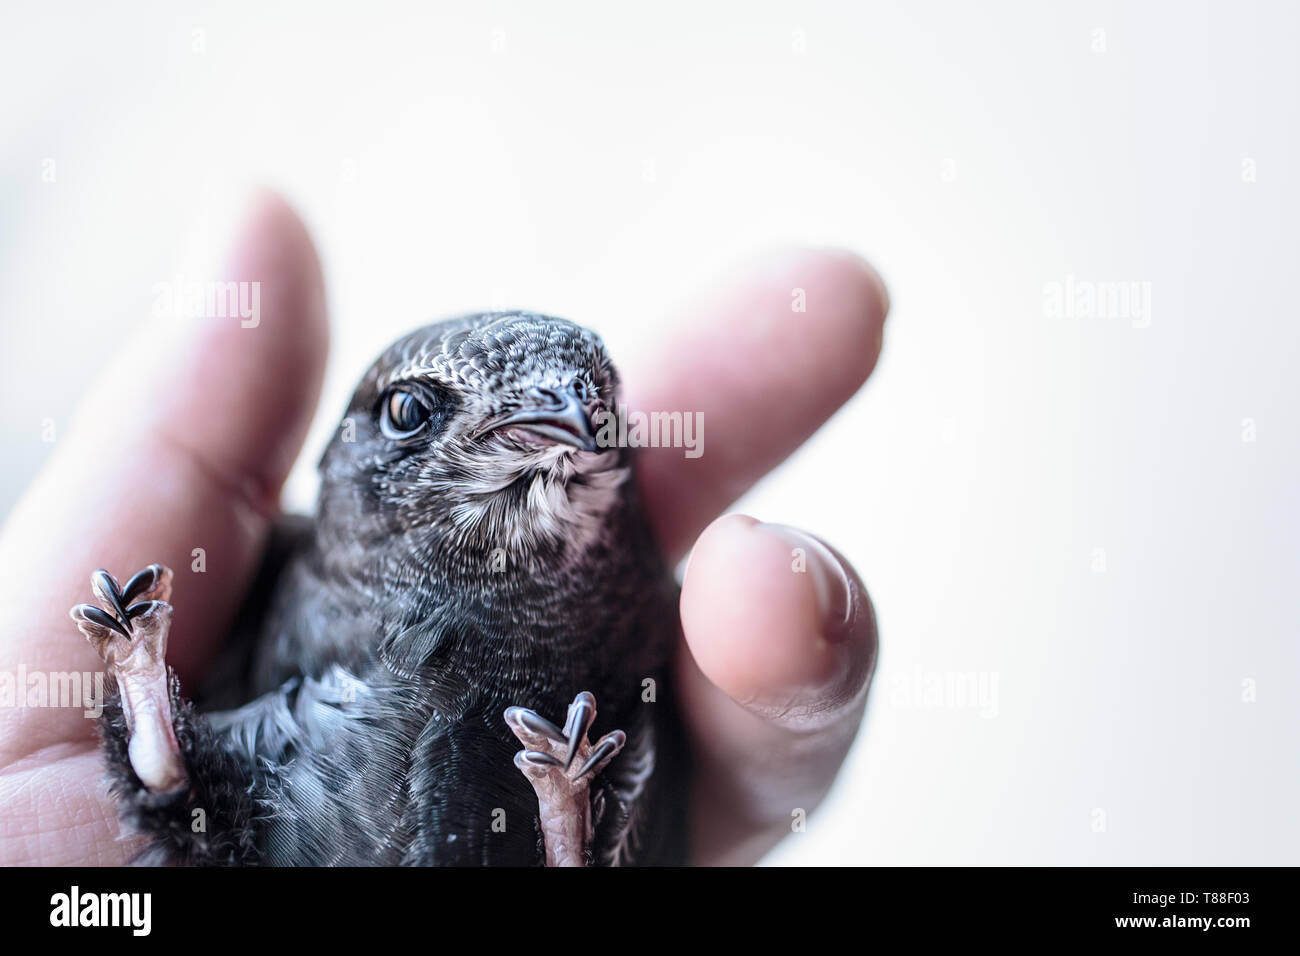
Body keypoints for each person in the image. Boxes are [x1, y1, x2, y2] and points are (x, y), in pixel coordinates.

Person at [0, 192, 888, 866]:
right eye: (419, 411)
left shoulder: (647, 639)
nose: (557, 422)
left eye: (593, 413)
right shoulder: (258, 574)